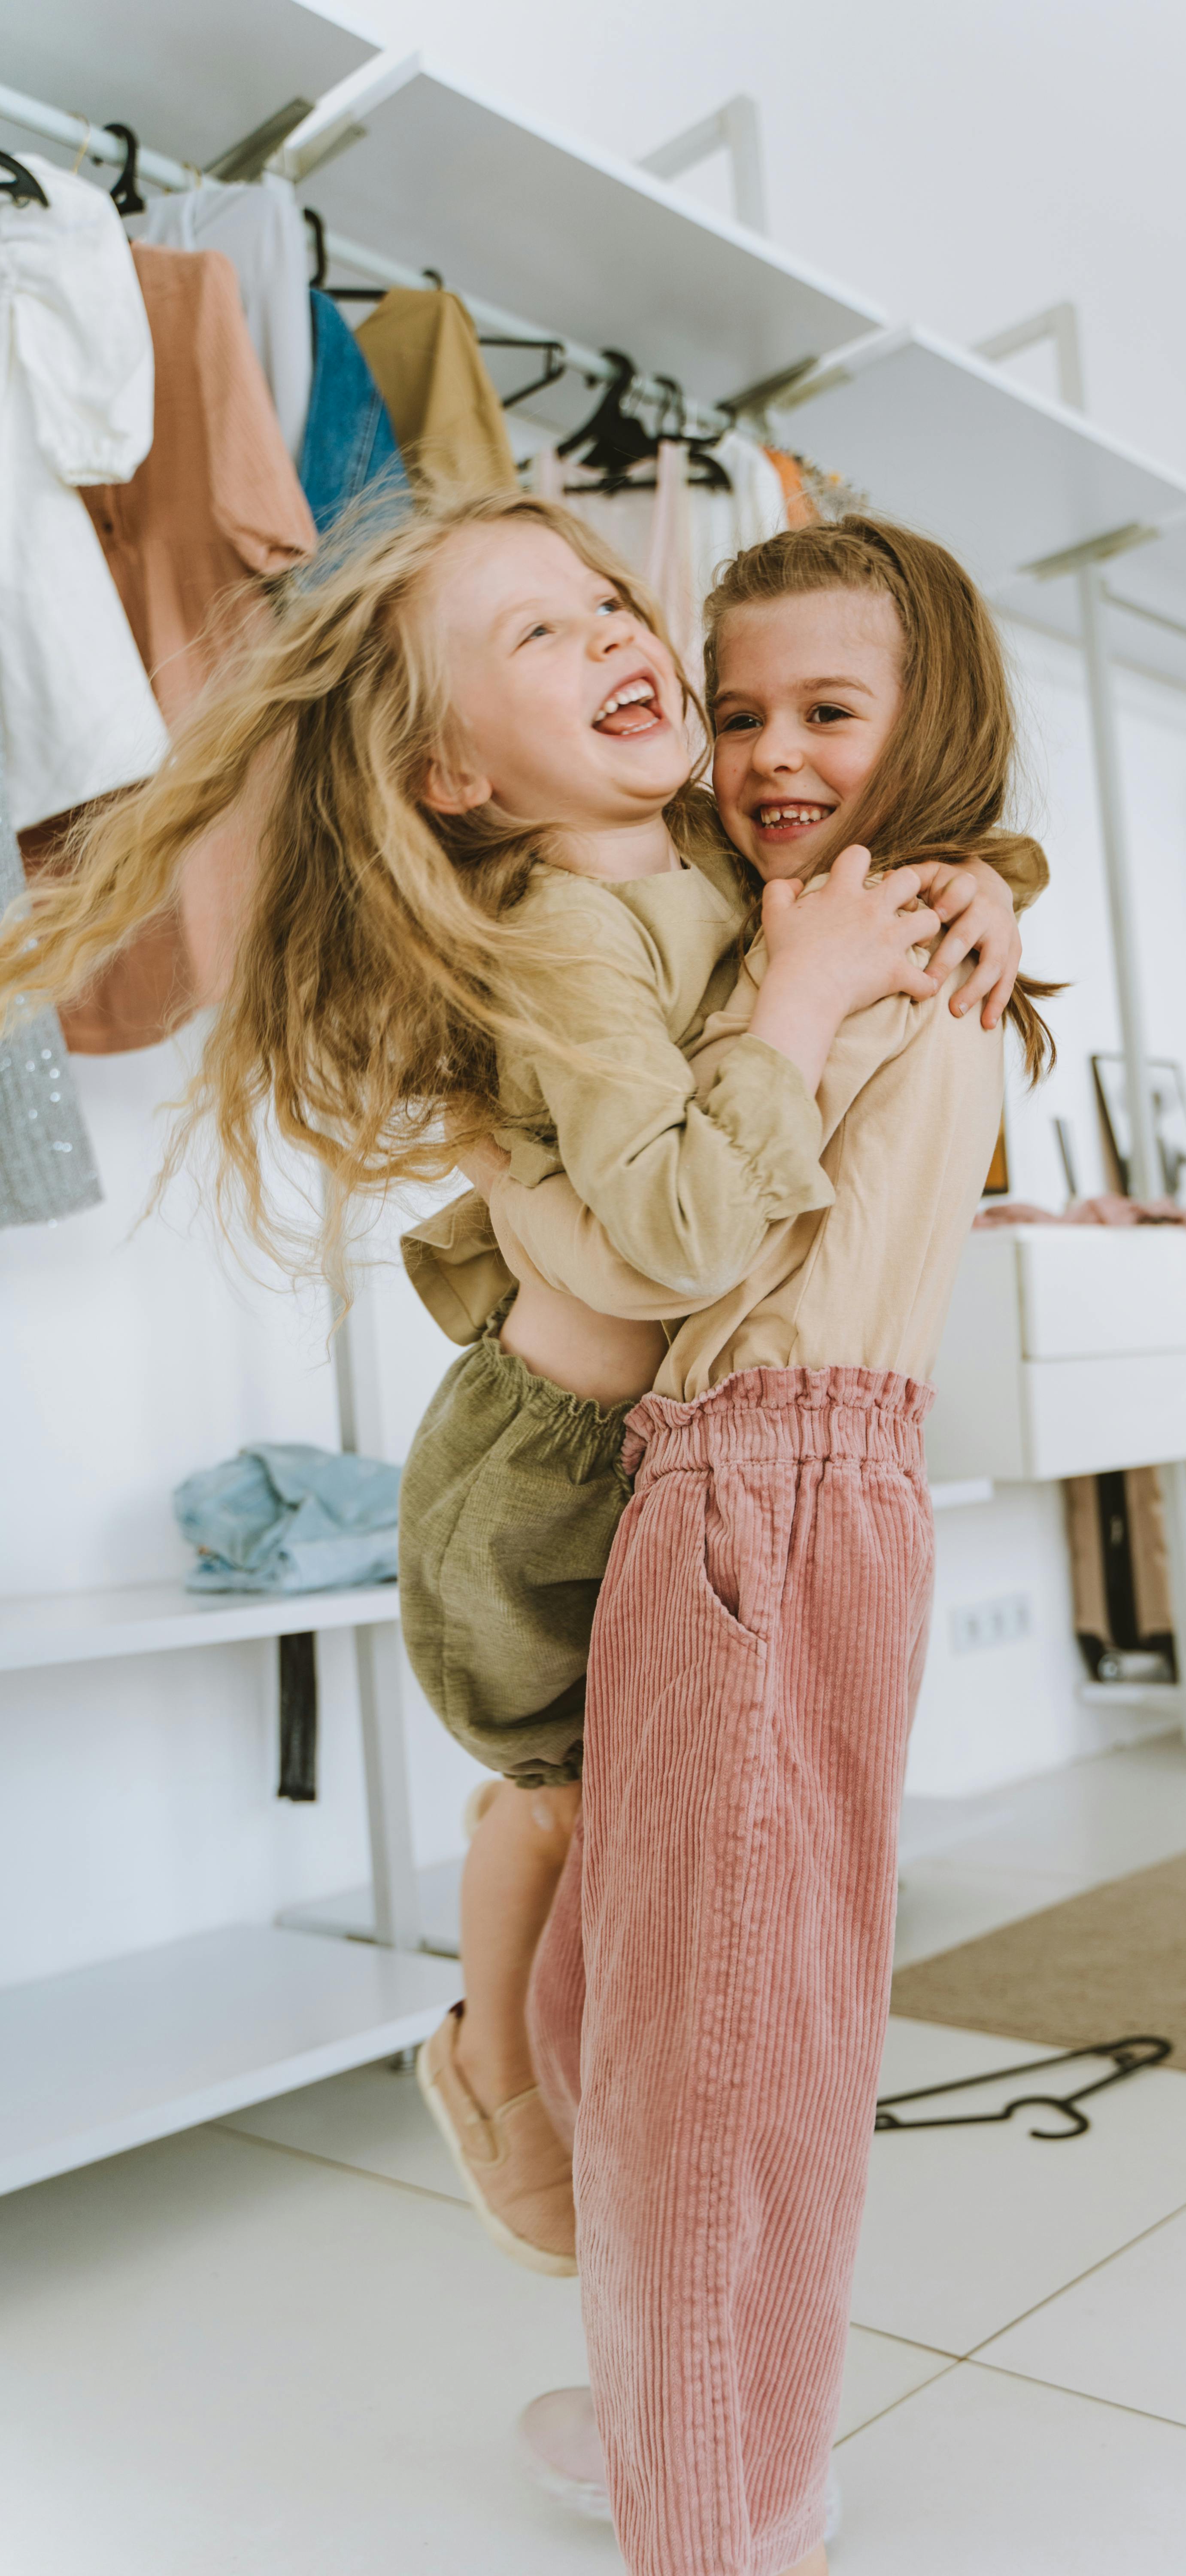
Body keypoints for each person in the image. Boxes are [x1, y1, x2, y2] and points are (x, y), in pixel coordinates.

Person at [0, 492, 1037, 2308]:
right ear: (454, 777)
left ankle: (557, 2096)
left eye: (606, 602)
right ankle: (488, 2062)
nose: (615, 640)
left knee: (609, 1826)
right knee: (562, 1805)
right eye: (536, 638)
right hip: (541, 1494)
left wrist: (979, 886)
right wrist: (793, 1008)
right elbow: (684, 1235)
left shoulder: (710, 869)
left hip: (625, 1457)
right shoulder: (567, 933)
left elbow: (844, 884)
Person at [429, 517, 1057, 2576]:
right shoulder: (800, 920)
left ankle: (718, 2507)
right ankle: (677, 2435)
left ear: (931, 723)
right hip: (739, 1480)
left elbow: (739, 1158)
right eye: (742, 709)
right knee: (678, 1996)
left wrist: (975, 877)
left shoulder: (875, 925)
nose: (771, 750)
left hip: (777, 1488)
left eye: (830, 712)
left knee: (727, 2052)